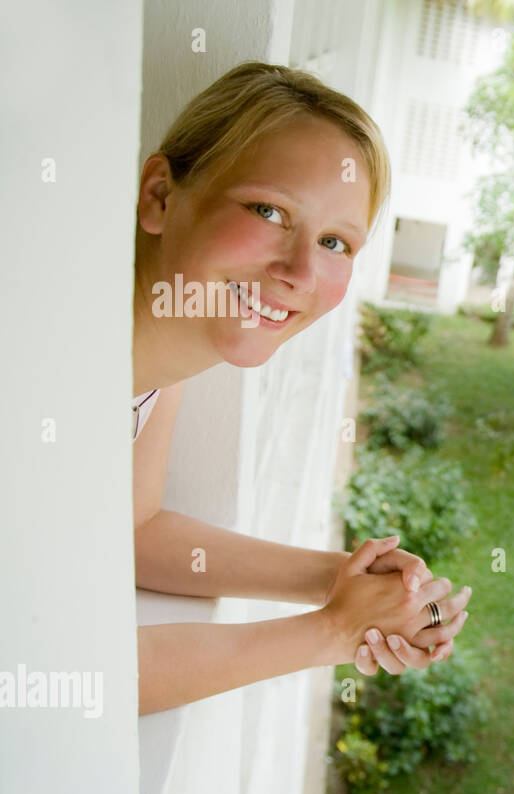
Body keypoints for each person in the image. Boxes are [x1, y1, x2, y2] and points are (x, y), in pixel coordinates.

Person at [132, 62, 471, 715]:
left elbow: (135, 528)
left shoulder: (158, 356)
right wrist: (334, 631)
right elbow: (69, 673)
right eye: (269, 210)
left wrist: (341, 582)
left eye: (336, 242)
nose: (300, 270)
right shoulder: (45, 371)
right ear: (160, 196)